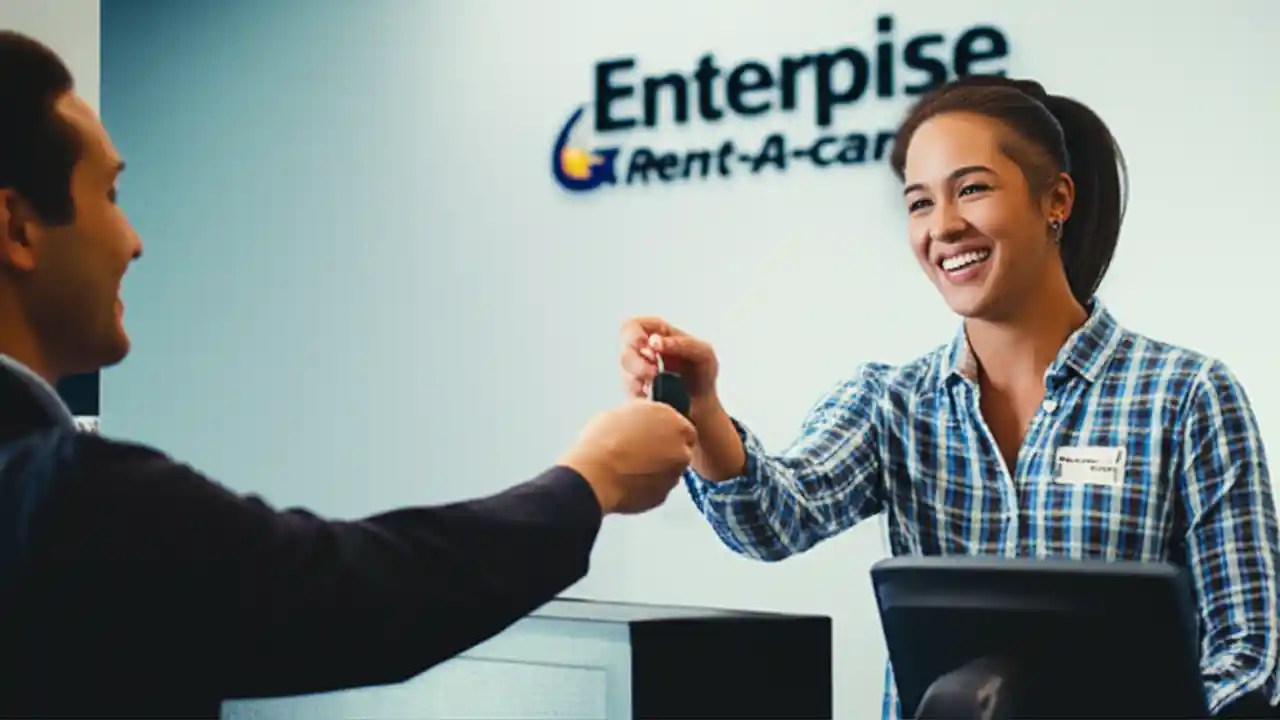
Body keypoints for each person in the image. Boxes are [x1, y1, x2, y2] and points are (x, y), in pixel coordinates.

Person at [0, 30, 698, 719]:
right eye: (110, 195)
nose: (135, 240)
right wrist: (592, 477)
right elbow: (367, 590)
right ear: (17, 228)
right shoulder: (64, 500)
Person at [620, 74, 1280, 719]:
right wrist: (700, 404)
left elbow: (1251, 651)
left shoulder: (1185, 394)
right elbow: (770, 522)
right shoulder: (892, 402)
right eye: (920, 202)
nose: (945, 226)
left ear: (1057, 200)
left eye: (972, 189)